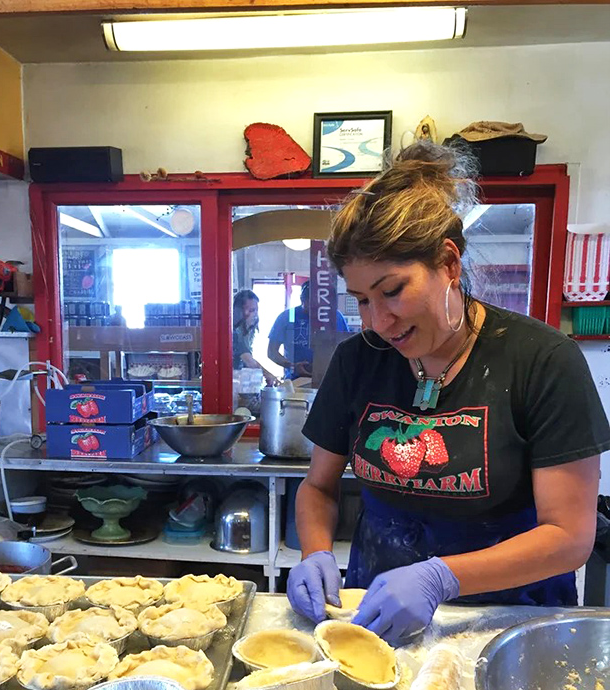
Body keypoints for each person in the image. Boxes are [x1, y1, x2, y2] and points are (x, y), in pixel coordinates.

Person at [286, 142, 610, 646]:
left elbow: (570, 537)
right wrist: (315, 553)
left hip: (508, 623)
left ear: (448, 262)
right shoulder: (359, 360)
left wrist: (441, 577)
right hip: (377, 612)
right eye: (362, 300)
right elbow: (319, 487)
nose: (378, 321)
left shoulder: (541, 360)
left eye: (392, 290)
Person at [267, 281, 349, 379]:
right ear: (302, 300)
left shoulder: (336, 317)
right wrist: (292, 366)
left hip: (330, 379)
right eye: (311, 305)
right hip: (296, 380)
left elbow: (347, 349)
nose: (314, 311)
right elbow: (272, 352)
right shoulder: (287, 317)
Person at [232, 289, 277, 386]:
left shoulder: (246, 333)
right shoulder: (233, 333)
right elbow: (249, 361)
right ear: (239, 311)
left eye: (256, 310)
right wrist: (267, 374)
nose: (255, 315)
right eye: (252, 310)